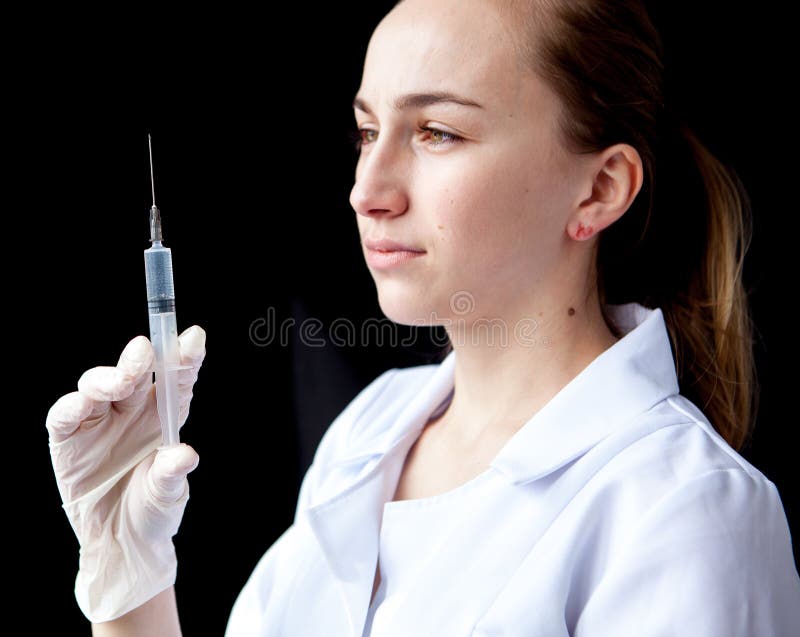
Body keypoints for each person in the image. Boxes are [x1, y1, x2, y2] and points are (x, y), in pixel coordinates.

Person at [46, 0, 800, 635]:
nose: (366, 190)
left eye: (436, 132)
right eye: (368, 132)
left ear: (599, 189)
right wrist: (132, 590)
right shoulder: (372, 432)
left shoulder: (687, 512)